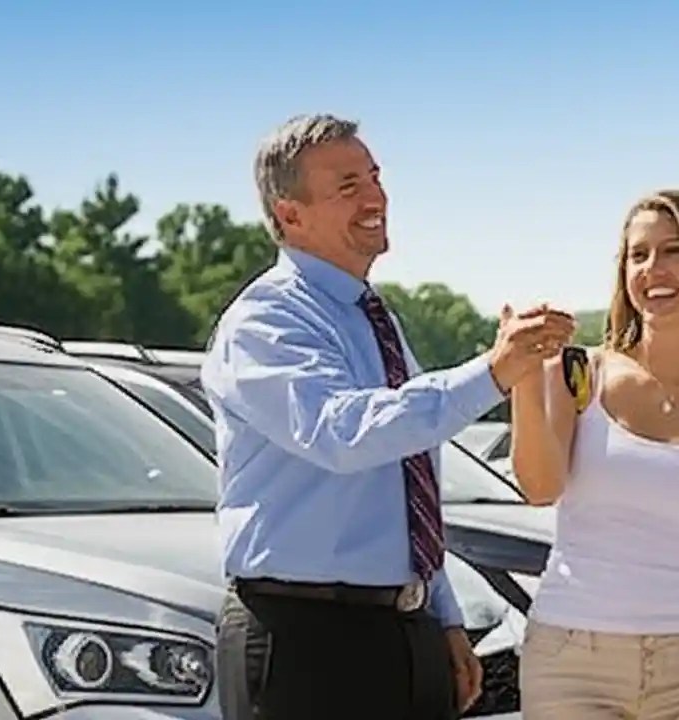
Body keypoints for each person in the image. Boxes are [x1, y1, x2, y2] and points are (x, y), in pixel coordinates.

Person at [200, 112, 577, 719]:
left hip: (402, 636)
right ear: (289, 213)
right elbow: (345, 433)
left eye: (374, 176)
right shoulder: (264, 321)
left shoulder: (374, 318)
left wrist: (440, 613)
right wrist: (495, 371)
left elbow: (405, 481)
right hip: (305, 644)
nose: (376, 196)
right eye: (348, 186)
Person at [510, 189, 679, 719]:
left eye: (674, 250)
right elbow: (540, 488)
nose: (652, 268)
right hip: (572, 663)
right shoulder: (576, 376)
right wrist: (524, 380)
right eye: (639, 254)